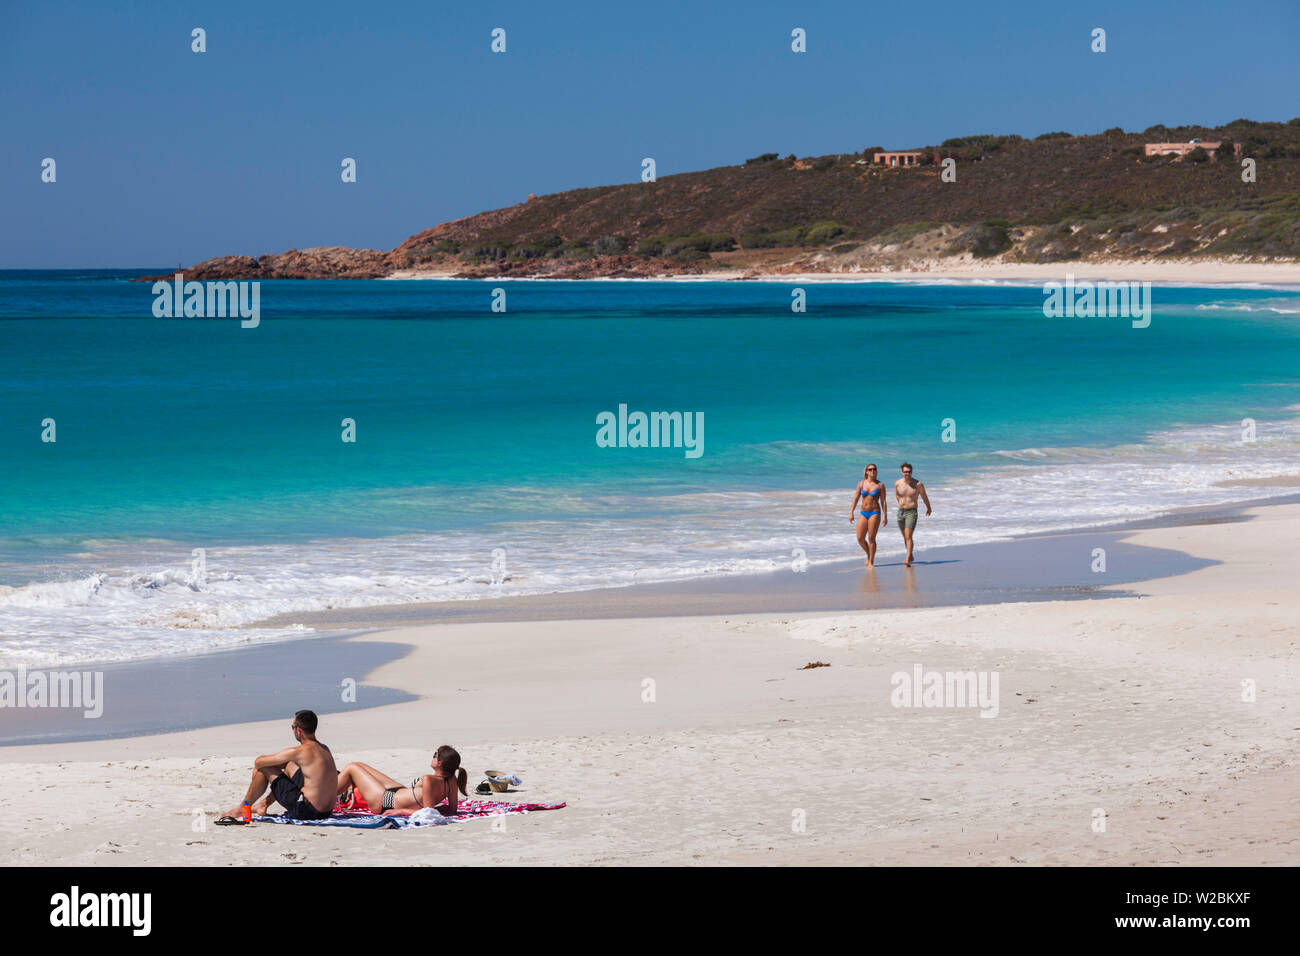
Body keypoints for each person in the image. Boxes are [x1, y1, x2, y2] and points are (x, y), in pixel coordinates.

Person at [218, 710, 338, 823]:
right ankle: (263, 804)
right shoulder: (324, 748)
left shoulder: (298, 751)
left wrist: (261, 770)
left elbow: (259, 762)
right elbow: (290, 763)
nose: (293, 730)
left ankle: (243, 808)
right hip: (326, 811)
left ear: (299, 731)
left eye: (293, 727)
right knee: (291, 764)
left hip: (306, 811)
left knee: (264, 768)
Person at [336, 745, 468, 817]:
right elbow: (452, 809)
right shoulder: (452, 780)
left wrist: (402, 811)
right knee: (360, 765)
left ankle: (324, 797)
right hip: (398, 792)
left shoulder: (429, 779)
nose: (432, 757)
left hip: (385, 802)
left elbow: (428, 812)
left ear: (439, 763)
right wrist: (436, 808)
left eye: (435, 755)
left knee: (352, 767)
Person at [894, 462, 932, 567]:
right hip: (900, 512)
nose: (908, 474)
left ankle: (907, 559)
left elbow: (924, 496)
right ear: (902, 472)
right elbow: (897, 495)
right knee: (905, 537)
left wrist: (928, 507)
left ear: (912, 472)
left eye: (909, 472)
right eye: (905, 472)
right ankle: (910, 555)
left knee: (908, 536)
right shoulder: (897, 483)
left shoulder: (918, 484)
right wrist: (901, 504)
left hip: (912, 512)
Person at [849, 463, 887, 568]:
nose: (872, 471)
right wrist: (851, 512)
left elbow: (883, 501)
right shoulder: (861, 484)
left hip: (875, 512)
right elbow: (856, 498)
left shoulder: (880, 485)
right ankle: (869, 554)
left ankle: (871, 561)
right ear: (866, 472)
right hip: (863, 512)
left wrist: (885, 516)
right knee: (860, 538)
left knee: (871, 538)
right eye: (870, 469)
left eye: (874, 469)